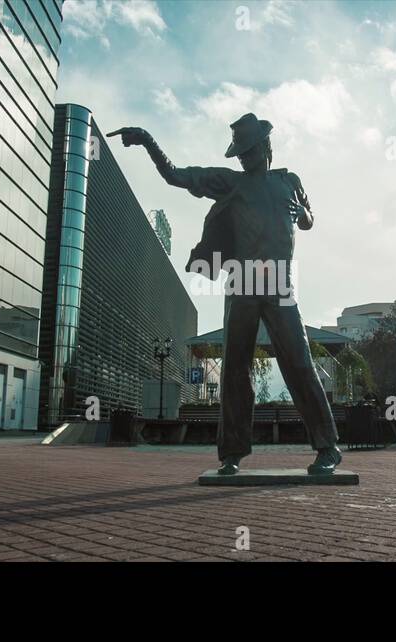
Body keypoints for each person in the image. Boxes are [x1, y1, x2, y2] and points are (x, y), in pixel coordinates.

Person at [108, 114, 342, 475]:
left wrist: (304, 213)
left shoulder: (288, 180)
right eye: (241, 154)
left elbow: (309, 218)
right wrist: (148, 141)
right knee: (235, 369)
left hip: (280, 284)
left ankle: (327, 446)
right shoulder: (229, 182)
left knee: (299, 361)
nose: (245, 159)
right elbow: (176, 175)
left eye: (249, 151)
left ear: (266, 147)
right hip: (243, 283)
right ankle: (231, 453)